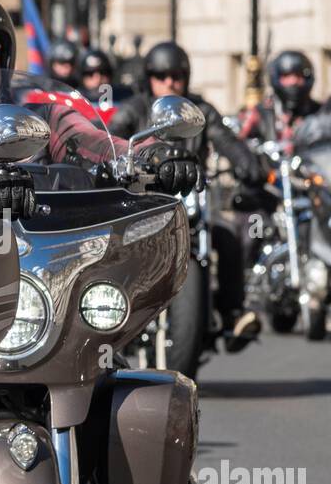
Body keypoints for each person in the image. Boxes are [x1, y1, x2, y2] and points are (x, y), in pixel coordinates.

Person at [0, 0, 200, 204]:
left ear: (3, 59)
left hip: (33, 257)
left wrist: (149, 154)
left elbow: (91, 142)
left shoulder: (38, 115)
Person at [109, 40, 265, 352]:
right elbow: (109, 141)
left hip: (191, 201)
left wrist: (248, 164)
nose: (169, 82)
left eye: (177, 75)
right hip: (141, 206)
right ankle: (107, 316)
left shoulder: (199, 110)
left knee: (229, 236)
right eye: (161, 75)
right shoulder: (134, 111)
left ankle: (232, 313)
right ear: (148, 77)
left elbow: (226, 139)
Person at [77, 48, 132, 121]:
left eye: (103, 72)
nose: (97, 79)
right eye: (90, 74)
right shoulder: (75, 100)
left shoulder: (124, 98)